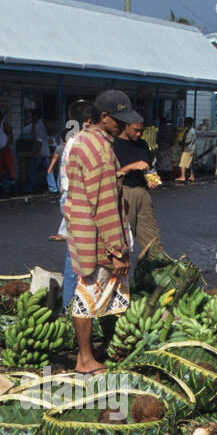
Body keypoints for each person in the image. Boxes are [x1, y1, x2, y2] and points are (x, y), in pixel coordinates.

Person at [65, 89, 136, 374]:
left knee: (94, 292)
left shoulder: (81, 140)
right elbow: (105, 205)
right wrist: (118, 251)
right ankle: (85, 359)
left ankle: (97, 351)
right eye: (119, 121)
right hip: (96, 235)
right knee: (89, 294)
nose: (124, 126)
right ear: (104, 118)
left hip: (81, 229)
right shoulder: (100, 150)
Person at [58, 100, 96, 293]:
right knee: (76, 258)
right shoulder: (81, 142)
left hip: (68, 196)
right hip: (76, 199)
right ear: (88, 121)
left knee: (75, 255)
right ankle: (70, 305)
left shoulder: (71, 140)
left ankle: (72, 303)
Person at [114, 120, 161, 256]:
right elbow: (111, 176)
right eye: (136, 130)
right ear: (126, 126)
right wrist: (131, 167)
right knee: (123, 240)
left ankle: (156, 271)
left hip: (142, 192)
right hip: (124, 192)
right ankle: (120, 273)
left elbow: (148, 168)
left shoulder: (143, 144)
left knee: (152, 239)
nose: (139, 134)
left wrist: (152, 179)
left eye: (142, 131)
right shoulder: (114, 145)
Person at [0, 111, 16, 195]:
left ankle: (12, 187)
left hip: (6, 150)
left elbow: (11, 139)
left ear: (0, 118)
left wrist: (5, 147)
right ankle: (0, 188)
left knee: (10, 168)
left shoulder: (5, 126)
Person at [178, 117, 197, 183]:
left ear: (188, 123)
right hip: (192, 149)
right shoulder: (192, 130)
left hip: (188, 149)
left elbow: (187, 141)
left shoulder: (190, 131)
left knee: (182, 163)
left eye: (185, 122)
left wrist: (181, 142)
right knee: (189, 163)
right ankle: (192, 176)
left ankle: (182, 176)